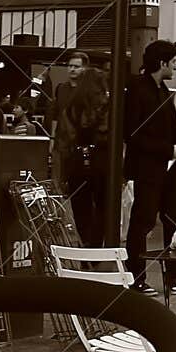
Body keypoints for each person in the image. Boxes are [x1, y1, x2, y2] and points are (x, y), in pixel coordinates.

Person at [123, 40, 176, 292]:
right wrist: (168, 149)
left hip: (168, 168)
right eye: (173, 62)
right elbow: (133, 133)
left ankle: (174, 278)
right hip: (149, 168)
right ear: (162, 63)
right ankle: (136, 278)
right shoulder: (138, 89)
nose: (175, 67)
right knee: (143, 222)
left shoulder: (162, 90)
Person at [61, 66, 112, 247]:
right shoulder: (106, 107)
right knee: (102, 208)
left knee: (81, 209)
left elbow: (66, 138)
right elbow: (108, 134)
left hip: (77, 161)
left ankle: (85, 247)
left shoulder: (71, 107)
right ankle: (96, 247)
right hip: (101, 160)